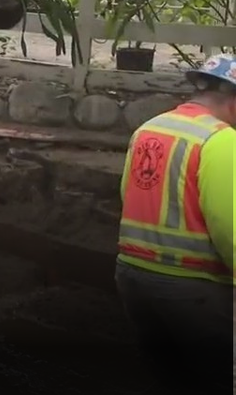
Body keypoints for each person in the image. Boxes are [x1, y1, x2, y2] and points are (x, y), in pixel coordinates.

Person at [114, 52, 235, 390]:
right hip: (194, 288)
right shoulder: (220, 139)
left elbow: (128, 195)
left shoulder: (147, 129)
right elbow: (230, 229)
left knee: (166, 377)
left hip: (132, 277)